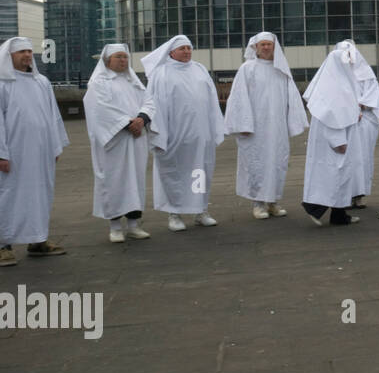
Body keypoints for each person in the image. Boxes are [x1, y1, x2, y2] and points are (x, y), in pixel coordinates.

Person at [141, 34, 224, 232]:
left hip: (200, 136)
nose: (187, 52)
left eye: (189, 48)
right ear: (172, 52)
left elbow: (212, 100)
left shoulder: (199, 69)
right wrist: (159, 134)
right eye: (182, 49)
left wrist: (215, 128)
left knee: (199, 173)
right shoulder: (161, 73)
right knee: (174, 175)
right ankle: (174, 213)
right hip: (174, 137)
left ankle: (200, 210)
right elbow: (153, 105)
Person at [0, 37, 69, 265]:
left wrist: (55, 143)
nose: (27, 55)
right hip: (13, 153)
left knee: (40, 195)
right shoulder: (2, 83)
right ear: (9, 56)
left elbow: (53, 116)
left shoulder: (41, 82)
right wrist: (1, 152)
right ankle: (3, 245)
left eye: (29, 51)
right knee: (8, 196)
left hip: (40, 153)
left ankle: (38, 240)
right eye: (21, 52)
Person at [224, 32, 308, 219]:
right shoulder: (248, 68)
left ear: (274, 47)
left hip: (277, 128)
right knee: (257, 164)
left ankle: (273, 202)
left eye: (269, 44)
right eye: (263, 44)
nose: (266, 48)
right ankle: (258, 203)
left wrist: (292, 122)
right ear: (255, 47)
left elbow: (292, 98)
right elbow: (239, 98)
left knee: (277, 163)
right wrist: (243, 123)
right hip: (255, 128)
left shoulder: (281, 70)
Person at [84, 44, 151, 243]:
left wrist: (142, 119)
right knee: (113, 181)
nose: (123, 60)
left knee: (136, 181)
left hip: (136, 139)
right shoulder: (98, 83)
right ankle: (114, 227)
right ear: (107, 61)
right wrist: (128, 124)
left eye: (125, 57)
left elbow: (149, 102)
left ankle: (133, 225)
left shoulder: (134, 81)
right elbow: (100, 110)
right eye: (118, 57)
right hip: (114, 142)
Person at [301, 50, 363, 227]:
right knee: (335, 176)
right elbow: (331, 116)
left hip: (339, 137)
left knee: (340, 176)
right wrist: (338, 141)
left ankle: (339, 215)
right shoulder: (334, 86)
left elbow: (344, 109)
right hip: (335, 139)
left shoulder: (337, 82)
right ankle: (314, 207)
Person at [334, 41, 379, 207]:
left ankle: (358, 195)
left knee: (363, 158)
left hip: (363, 124)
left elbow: (372, 97)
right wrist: (350, 110)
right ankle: (345, 195)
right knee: (345, 159)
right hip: (344, 124)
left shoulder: (366, 75)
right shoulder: (334, 76)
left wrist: (359, 106)